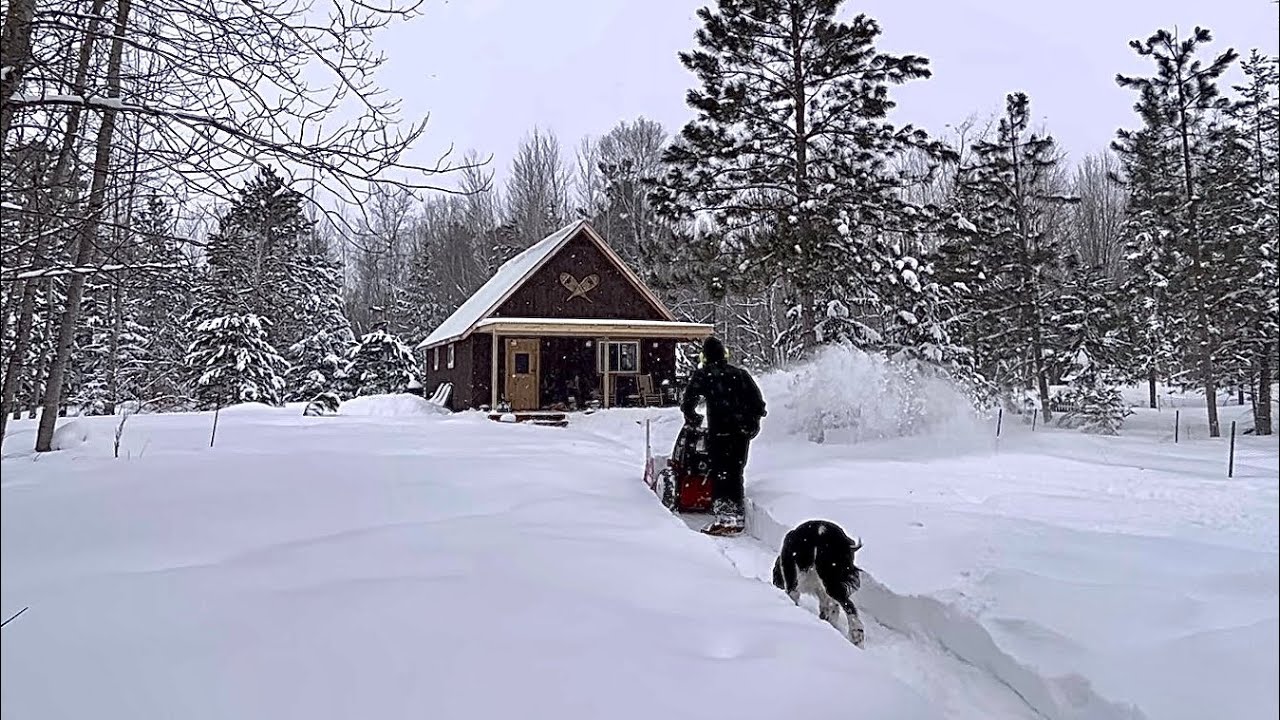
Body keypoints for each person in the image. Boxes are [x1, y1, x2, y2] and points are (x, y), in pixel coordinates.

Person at [680, 336, 767, 535]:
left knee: (720, 473)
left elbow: (689, 400)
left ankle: (725, 517)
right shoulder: (740, 374)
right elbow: (758, 403)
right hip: (741, 432)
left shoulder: (704, 375)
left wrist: (692, 417)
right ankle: (736, 514)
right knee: (736, 472)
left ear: (705, 357)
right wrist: (752, 423)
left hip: (719, 431)